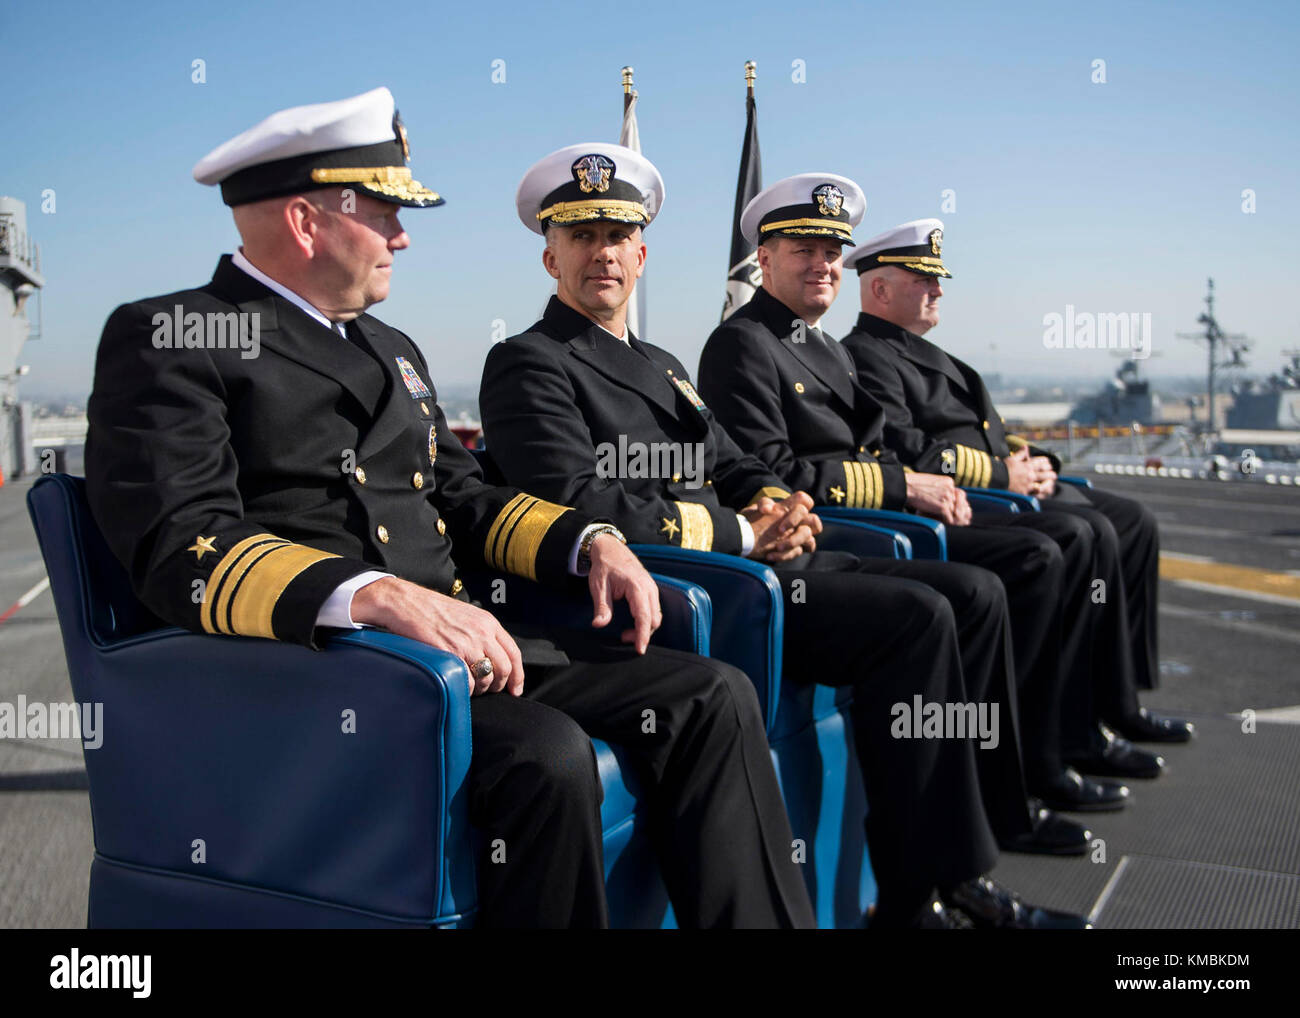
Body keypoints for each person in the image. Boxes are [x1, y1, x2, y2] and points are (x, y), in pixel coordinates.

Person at [83, 89, 815, 930]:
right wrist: (374, 596)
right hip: (329, 671)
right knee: (548, 757)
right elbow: (183, 542)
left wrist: (592, 542)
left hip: (468, 644)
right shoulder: (176, 334)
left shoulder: (390, 348)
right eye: (388, 213)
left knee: (710, 696)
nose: (402, 236)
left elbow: (461, 495)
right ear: (305, 221)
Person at [479, 144, 1089, 928]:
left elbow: (737, 463)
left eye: (616, 237)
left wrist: (781, 506)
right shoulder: (529, 362)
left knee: (965, 596)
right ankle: (920, 894)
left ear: (640, 253)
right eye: (581, 238)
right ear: (549, 254)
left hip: (754, 564)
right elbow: (577, 503)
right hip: (685, 589)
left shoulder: (663, 364)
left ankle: (943, 873)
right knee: (920, 616)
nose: (601, 255)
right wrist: (743, 532)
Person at [697, 174, 1138, 812]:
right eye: (803, 251)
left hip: (879, 521)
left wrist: (929, 487)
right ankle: (1008, 791)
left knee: (1028, 564)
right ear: (763, 259)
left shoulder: (826, 350)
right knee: (1015, 568)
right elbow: (776, 473)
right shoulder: (742, 344)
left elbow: (875, 448)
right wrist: (911, 486)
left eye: (830, 253)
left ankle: (1018, 774)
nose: (821, 265)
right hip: (827, 535)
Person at [837, 218, 1193, 773]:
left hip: (1005, 486)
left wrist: (1039, 463)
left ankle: (1116, 703)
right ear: (879, 289)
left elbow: (992, 432)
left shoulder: (934, 356)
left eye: (937, 279)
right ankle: (1066, 737)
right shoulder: (864, 356)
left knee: (1134, 521)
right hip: (961, 501)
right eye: (923, 279)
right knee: (1083, 534)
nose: (939, 289)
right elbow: (911, 451)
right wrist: (1008, 477)